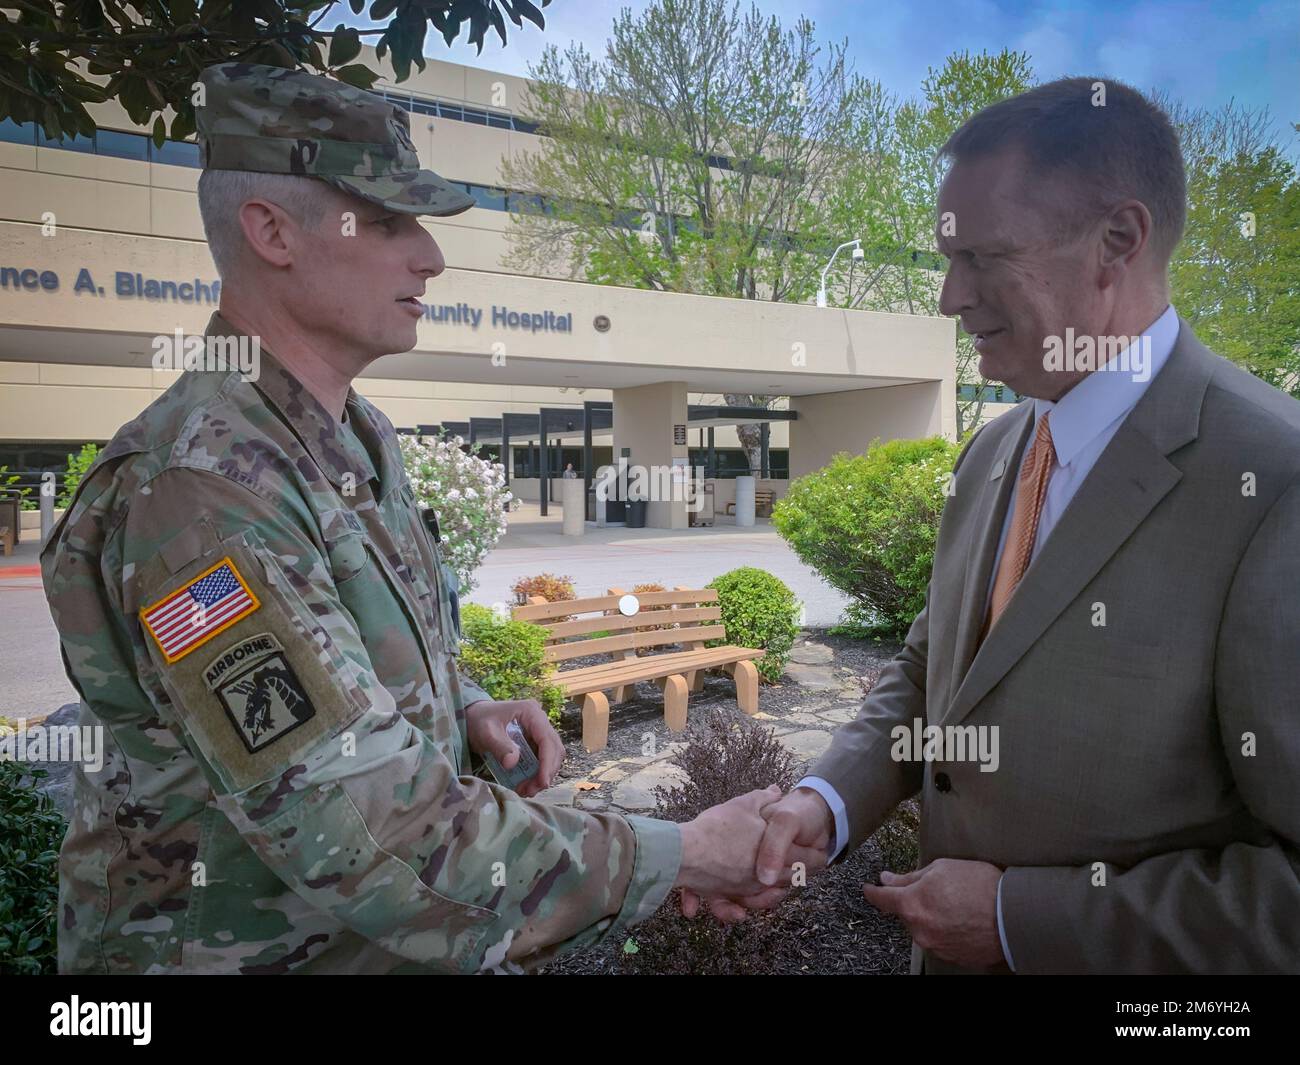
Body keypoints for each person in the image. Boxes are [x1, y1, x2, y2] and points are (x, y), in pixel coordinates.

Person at [40, 62, 813, 974]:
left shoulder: (355, 435)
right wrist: (678, 852)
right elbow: (359, 826)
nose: (430, 256)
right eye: (389, 220)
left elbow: (366, 659)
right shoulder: (201, 489)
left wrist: (468, 706)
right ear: (272, 231)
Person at [709, 77, 1300, 973]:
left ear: (1119, 242)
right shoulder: (988, 455)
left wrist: (1025, 919)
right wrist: (824, 803)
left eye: (983, 257)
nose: (950, 296)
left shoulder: (1272, 482)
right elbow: (932, 675)